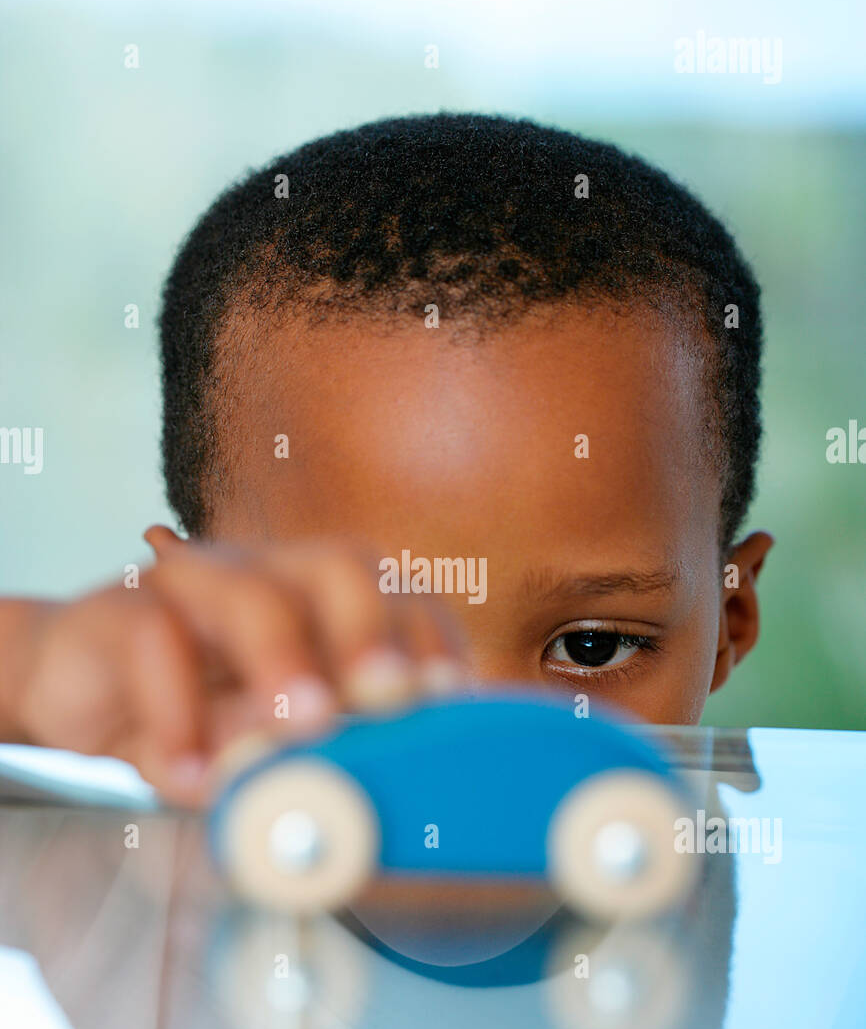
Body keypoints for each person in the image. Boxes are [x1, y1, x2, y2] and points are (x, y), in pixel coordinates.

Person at [0, 114, 773, 803]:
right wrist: (30, 673)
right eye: (354, 644)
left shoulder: (788, 917)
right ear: (196, 618)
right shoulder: (143, 919)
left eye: (591, 647)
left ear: (729, 626)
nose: (480, 774)